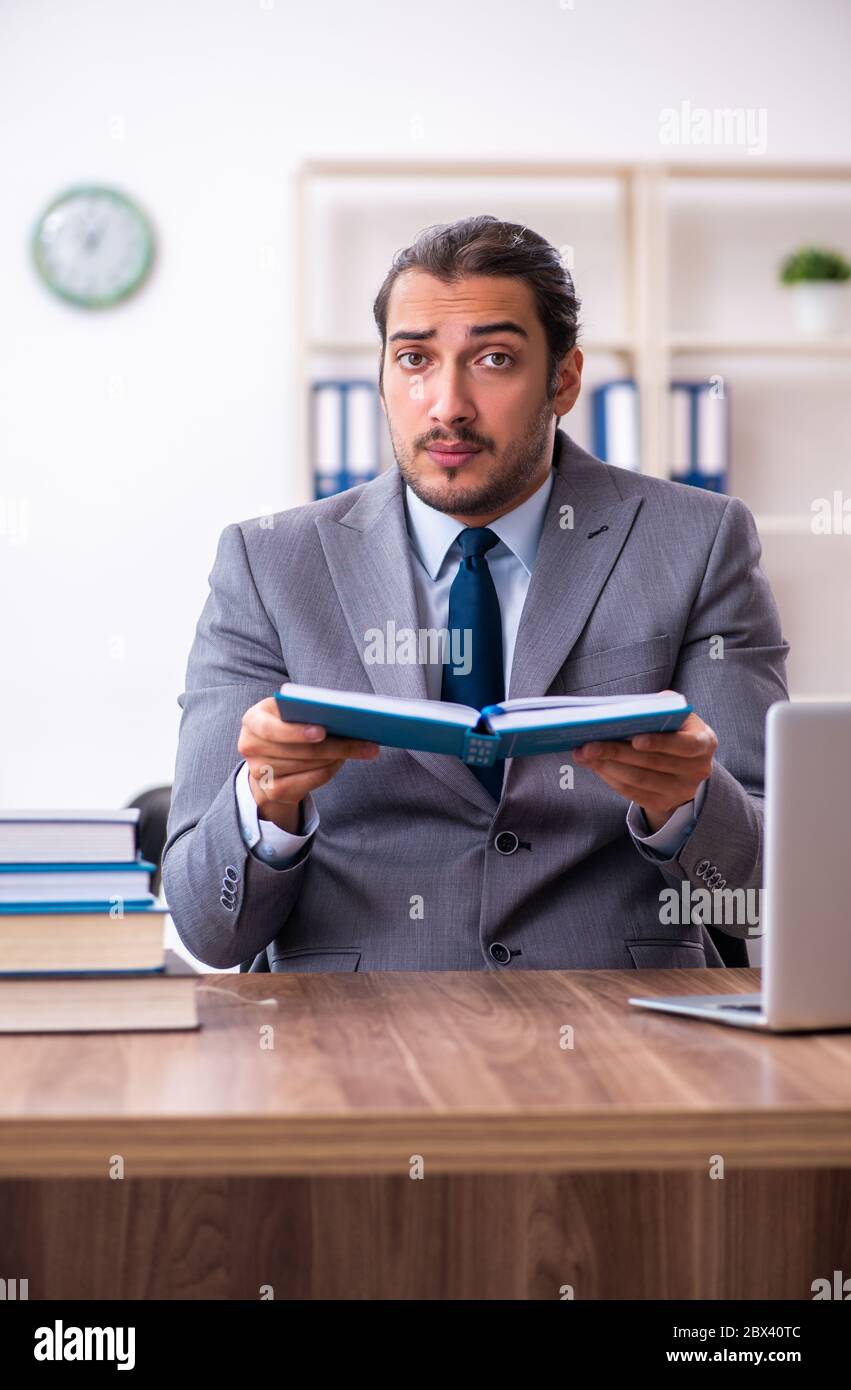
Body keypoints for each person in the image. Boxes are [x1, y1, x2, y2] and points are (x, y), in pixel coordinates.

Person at [162, 215, 788, 973]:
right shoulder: (267, 564)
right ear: (383, 377)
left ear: (563, 378)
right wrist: (265, 804)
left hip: (625, 1034)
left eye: (493, 359)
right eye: (415, 359)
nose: (446, 404)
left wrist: (684, 803)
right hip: (349, 1045)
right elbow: (207, 930)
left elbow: (763, 895)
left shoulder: (697, 539)